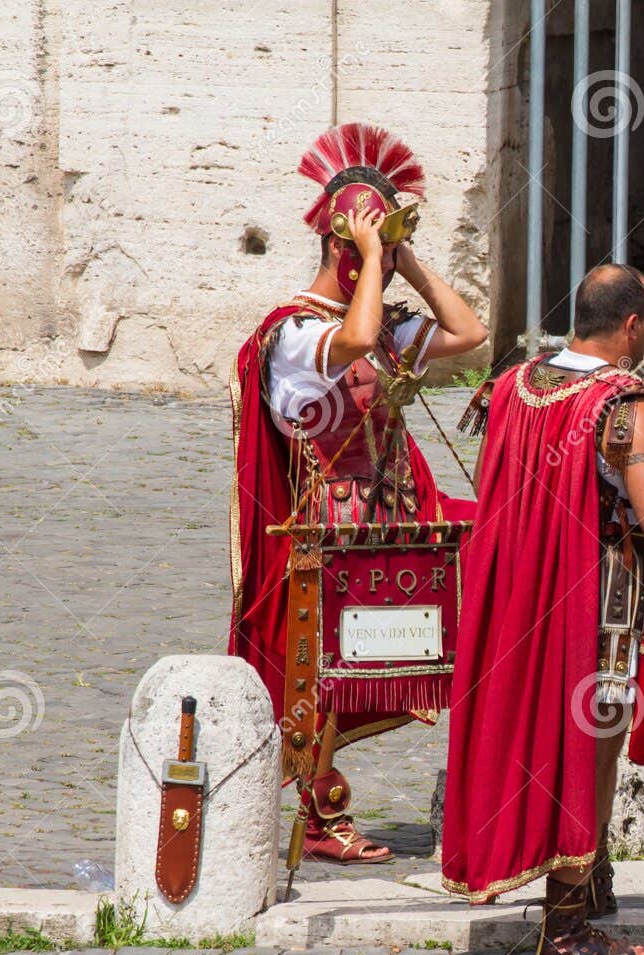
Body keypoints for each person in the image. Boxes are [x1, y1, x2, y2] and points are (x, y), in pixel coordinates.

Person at [443, 264, 644, 955]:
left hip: (521, 587)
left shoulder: (516, 383)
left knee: (550, 728)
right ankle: (566, 921)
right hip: (596, 598)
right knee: (592, 740)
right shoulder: (627, 404)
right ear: (630, 326)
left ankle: (587, 874)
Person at [229, 123, 488, 864]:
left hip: (391, 516)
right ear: (342, 251)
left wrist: (404, 258)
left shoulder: (373, 321)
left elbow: (468, 332)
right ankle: (316, 809)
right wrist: (374, 260)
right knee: (331, 674)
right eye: (366, 251)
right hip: (327, 527)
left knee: (419, 655)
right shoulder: (297, 334)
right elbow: (354, 337)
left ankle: (323, 795)